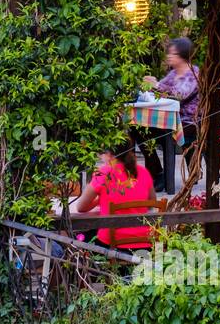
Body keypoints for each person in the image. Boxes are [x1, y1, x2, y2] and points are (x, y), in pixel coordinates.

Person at [132, 37, 200, 185]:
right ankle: (157, 173)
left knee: (146, 132)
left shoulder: (193, 74)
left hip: (187, 122)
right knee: (137, 130)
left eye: (172, 54)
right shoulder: (174, 73)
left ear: (182, 56)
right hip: (169, 118)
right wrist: (151, 84)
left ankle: (160, 177)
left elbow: (179, 95)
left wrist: (156, 84)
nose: (168, 56)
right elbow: (161, 87)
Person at [72, 144, 155, 249]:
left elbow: (81, 207)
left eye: (101, 154)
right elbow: (151, 204)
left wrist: (99, 200)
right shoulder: (143, 172)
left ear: (109, 154)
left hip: (112, 244)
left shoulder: (103, 173)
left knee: (78, 237)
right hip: (145, 242)